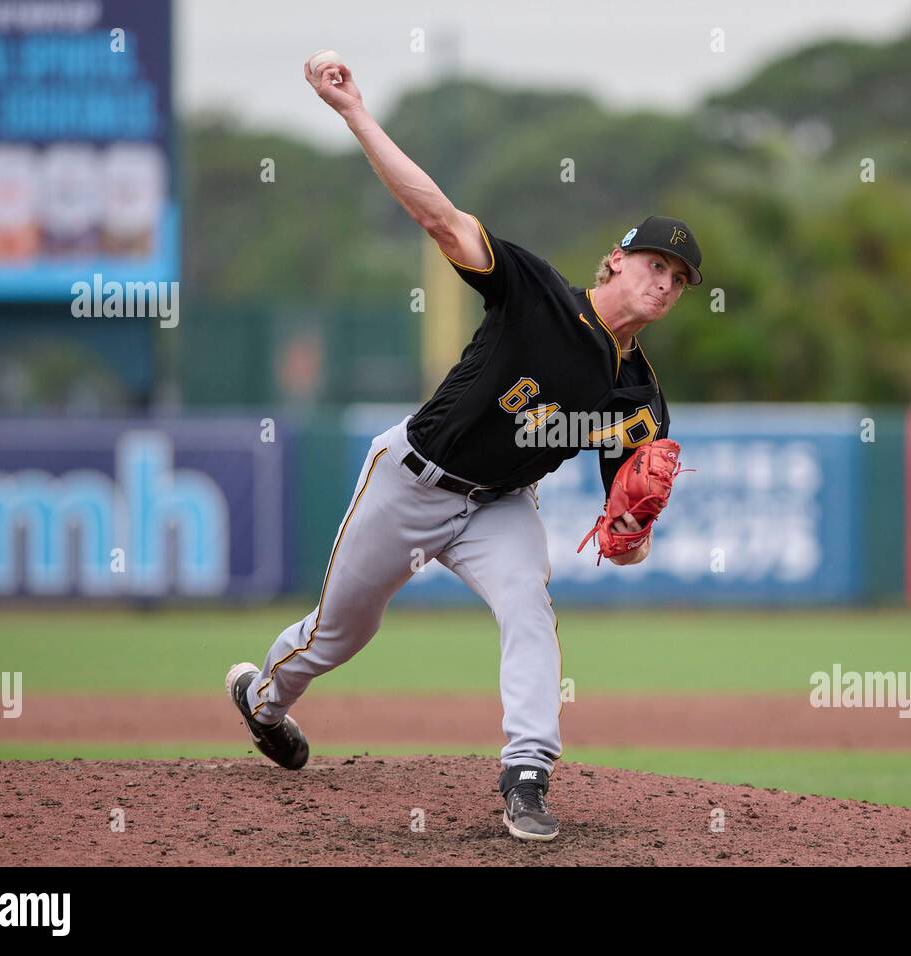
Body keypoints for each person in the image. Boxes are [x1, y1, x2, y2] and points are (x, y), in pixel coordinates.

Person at [226, 54, 703, 842]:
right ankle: (263, 699)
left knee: (529, 609)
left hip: (501, 507)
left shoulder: (639, 396)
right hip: (412, 480)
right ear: (617, 260)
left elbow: (624, 543)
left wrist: (633, 533)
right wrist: (354, 113)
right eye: (655, 264)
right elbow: (441, 218)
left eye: (679, 279)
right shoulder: (536, 290)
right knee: (342, 631)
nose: (664, 283)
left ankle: (527, 776)